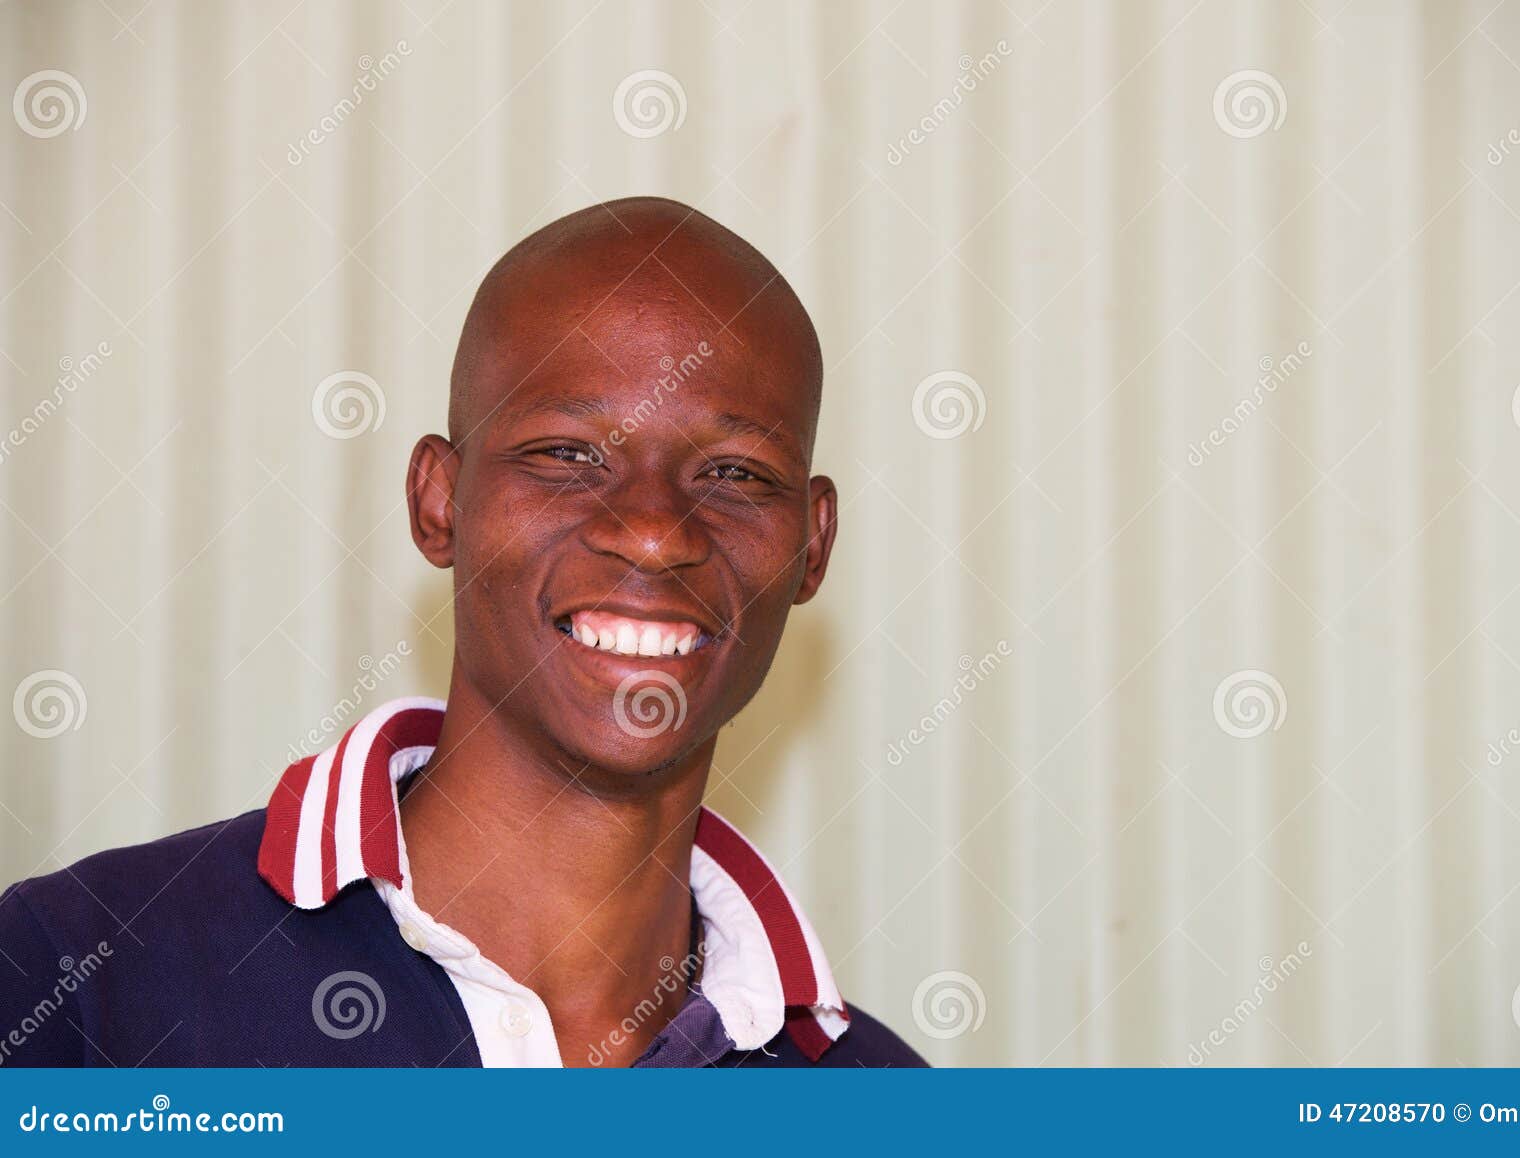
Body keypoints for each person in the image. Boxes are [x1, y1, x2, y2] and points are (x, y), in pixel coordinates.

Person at [0, 197, 926, 1068]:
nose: (653, 529)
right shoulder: (82, 985)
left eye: (735, 473)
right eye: (568, 454)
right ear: (439, 501)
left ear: (813, 544)